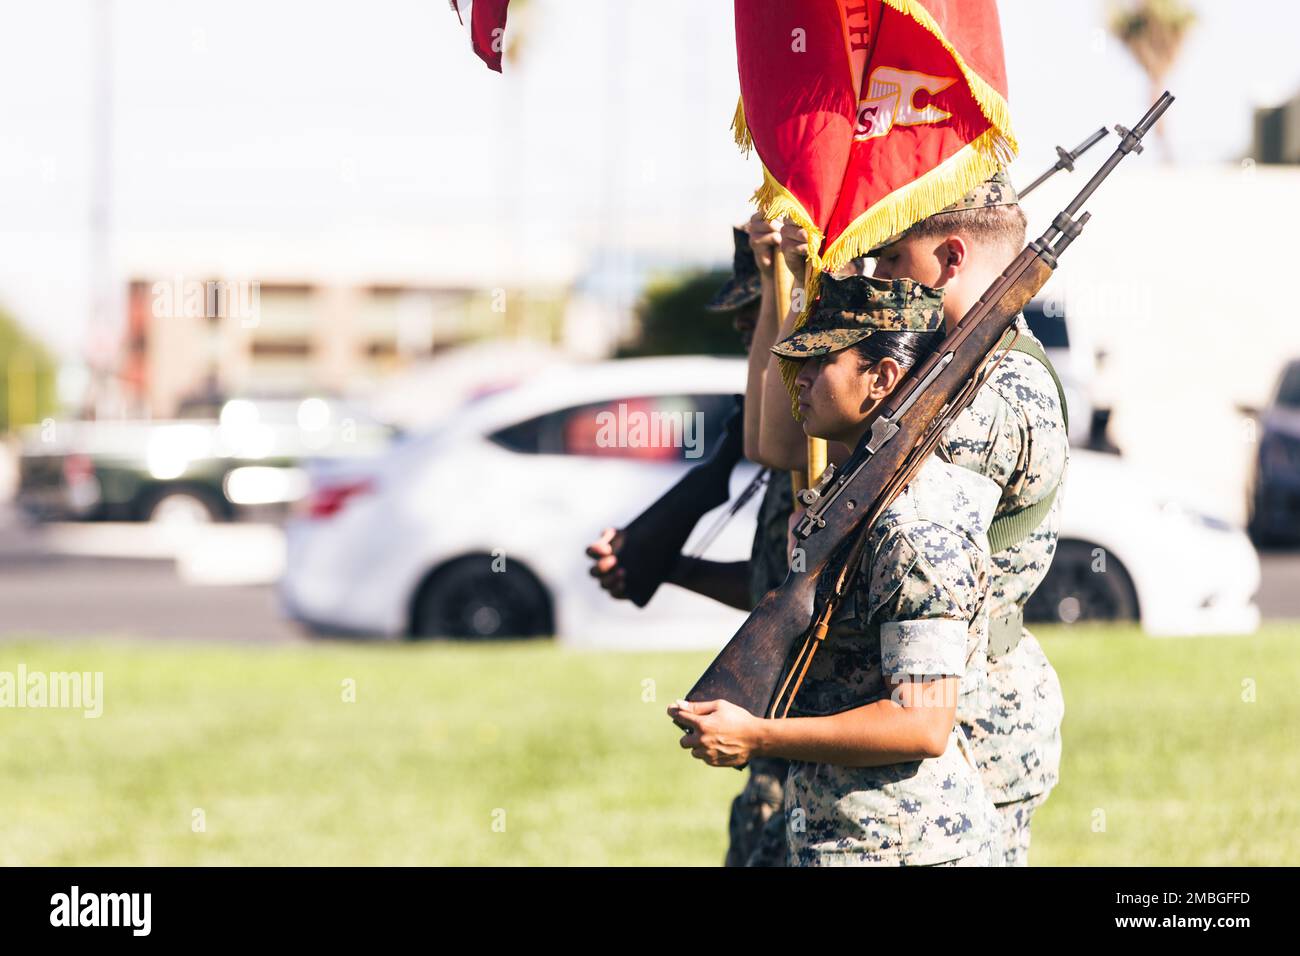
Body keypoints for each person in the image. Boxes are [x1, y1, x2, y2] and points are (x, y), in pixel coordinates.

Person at [755, 172, 1068, 865]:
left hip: (962, 727)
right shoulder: (947, 378)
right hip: (898, 707)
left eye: (891, 257)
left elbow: (886, 520)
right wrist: (802, 279)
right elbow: (779, 445)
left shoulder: (995, 391)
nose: (877, 273)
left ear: (951, 259)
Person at [671, 273, 1004, 867]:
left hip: (905, 846)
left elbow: (921, 723)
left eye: (820, 361)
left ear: (881, 379)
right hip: (844, 836)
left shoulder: (915, 523)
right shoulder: (850, 494)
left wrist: (757, 734)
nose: (796, 379)